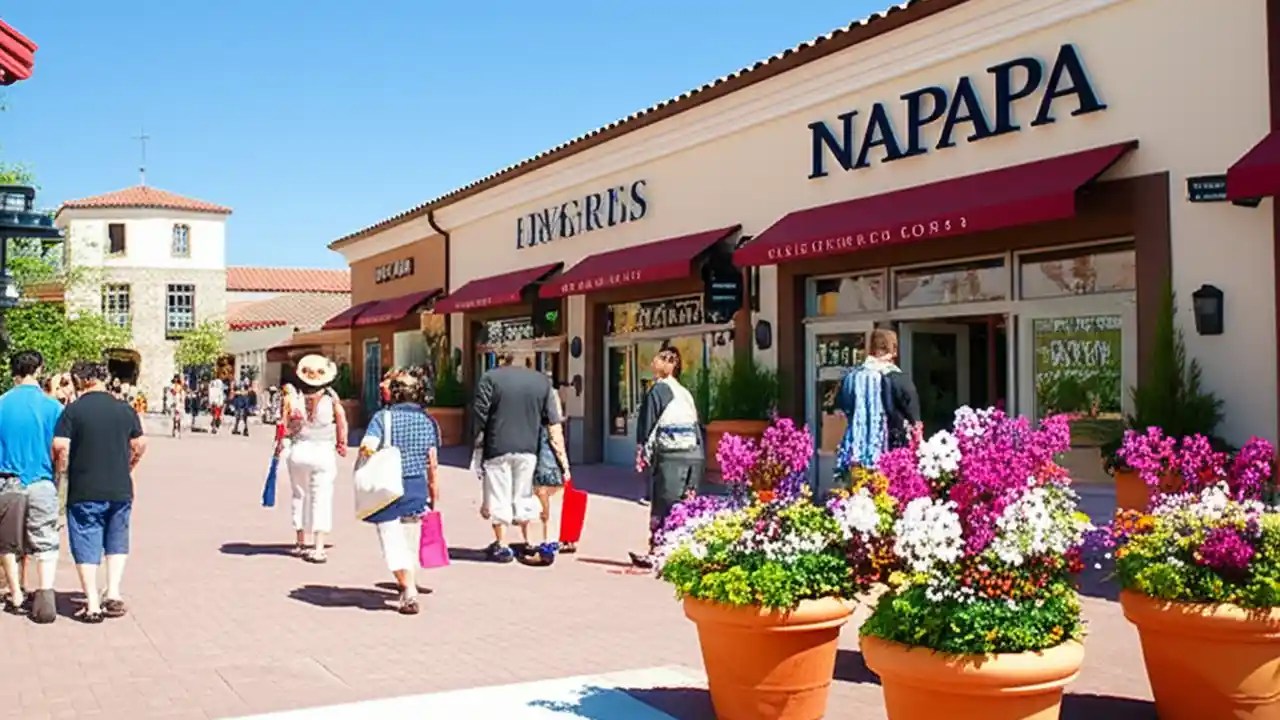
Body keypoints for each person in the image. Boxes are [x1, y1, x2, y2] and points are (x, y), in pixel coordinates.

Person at [52, 361, 147, 624]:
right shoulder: (124, 409)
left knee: (85, 540)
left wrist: (61, 472)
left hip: (85, 487)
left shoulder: (74, 411)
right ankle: (113, 591)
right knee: (117, 538)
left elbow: (60, 445)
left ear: (81, 381)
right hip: (119, 486)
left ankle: (92, 603)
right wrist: (129, 466)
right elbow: (140, 443)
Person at [358, 375, 439, 615]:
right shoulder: (428, 422)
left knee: (391, 541)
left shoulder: (382, 418)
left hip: (387, 488)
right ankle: (409, 582)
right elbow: (432, 463)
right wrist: (434, 495)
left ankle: (408, 590)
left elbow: (368, 446)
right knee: (410, 540)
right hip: (416, 487)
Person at [471, 354, 562, 563]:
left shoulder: (490, 378)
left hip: (498, 445)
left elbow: (480, 413)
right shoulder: (541, 381)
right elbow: (551, 419)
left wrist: (476, 441)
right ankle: (529, 542)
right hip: (528, 447)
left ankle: (502, 545)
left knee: (498, 495)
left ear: (504, 360)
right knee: (524, 495)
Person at [0, 351, 65, 623]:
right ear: (39, 370)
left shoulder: (1, 403)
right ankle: (45, 592)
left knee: (8, 541)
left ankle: (15, 594)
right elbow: (60, 448)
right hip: (41, 479)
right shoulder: (53, 407)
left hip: (8, 478)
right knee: (45, 539)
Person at [631, 346, 704, 569]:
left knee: (663, 502)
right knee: (685, 502)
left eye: (659, 360)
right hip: (693, 453)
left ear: (670, 365)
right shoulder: (685, 393)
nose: (654, 364)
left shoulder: (659, 390)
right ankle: (683, 550)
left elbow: (647, 422)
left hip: (671, 455)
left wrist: (641, 451)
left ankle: (657, 551)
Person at [280, 355, 348, 563]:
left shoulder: (293, 397)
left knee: (299, 495)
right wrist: (341, 443)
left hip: (300, 450)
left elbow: (286, 426)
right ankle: (318, 547)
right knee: (322, 497)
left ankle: (300, 541)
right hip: (323, 452)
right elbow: (342, 422)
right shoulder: (331, 398)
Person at [833, 328, 921, 485]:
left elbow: (840, 413)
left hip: (856, 456)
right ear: (894, 350)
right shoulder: (898, 379)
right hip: (891, 457)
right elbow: (915, 424)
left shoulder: (851, 378)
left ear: (871, 349)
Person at [532, 384, 572, 554]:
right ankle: (550, 542)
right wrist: (565, 467)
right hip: (550, 467)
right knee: (553, 508)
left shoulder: (529, 420)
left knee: (536, 507)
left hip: (532, 467)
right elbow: (557, 443)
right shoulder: (553, 422)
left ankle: (533, 542)